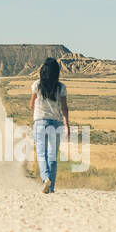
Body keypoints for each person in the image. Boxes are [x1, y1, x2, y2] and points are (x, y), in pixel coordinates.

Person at [29, 57, 70, 194]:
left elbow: (31, 105)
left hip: (40, 122)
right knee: (52, 155)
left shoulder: (37, 85)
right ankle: (51, 188)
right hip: (57, 123)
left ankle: (46, 178)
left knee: (41, 153)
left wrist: (35, 117)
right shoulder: (61, 87)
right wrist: (67, 125)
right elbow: (64, 108)